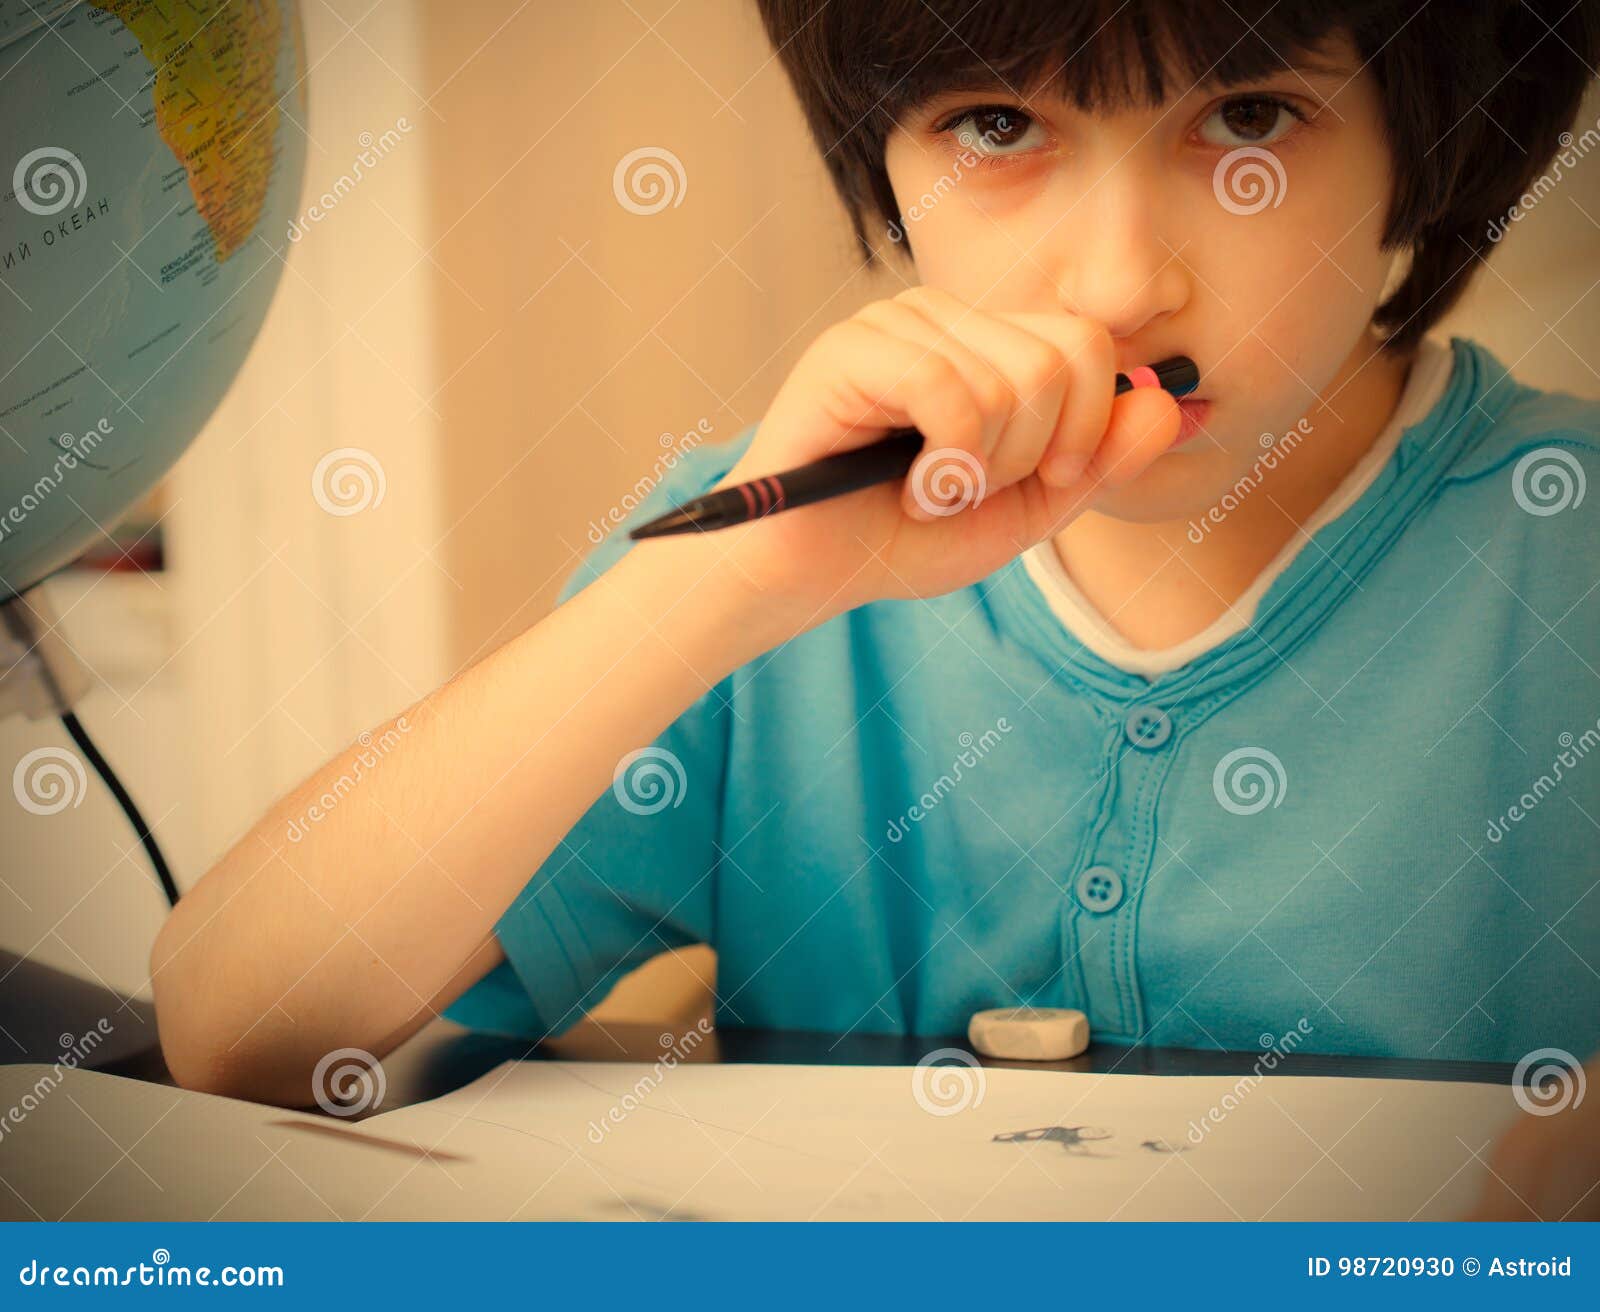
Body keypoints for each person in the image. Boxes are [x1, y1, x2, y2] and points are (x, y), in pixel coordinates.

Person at [152, 0, 1600, 1218]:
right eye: (998, 126)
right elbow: (236, 1027)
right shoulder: (767, 555)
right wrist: (723, 584)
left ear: (1427, 141)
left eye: (1250, 121)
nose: (1119, 284)